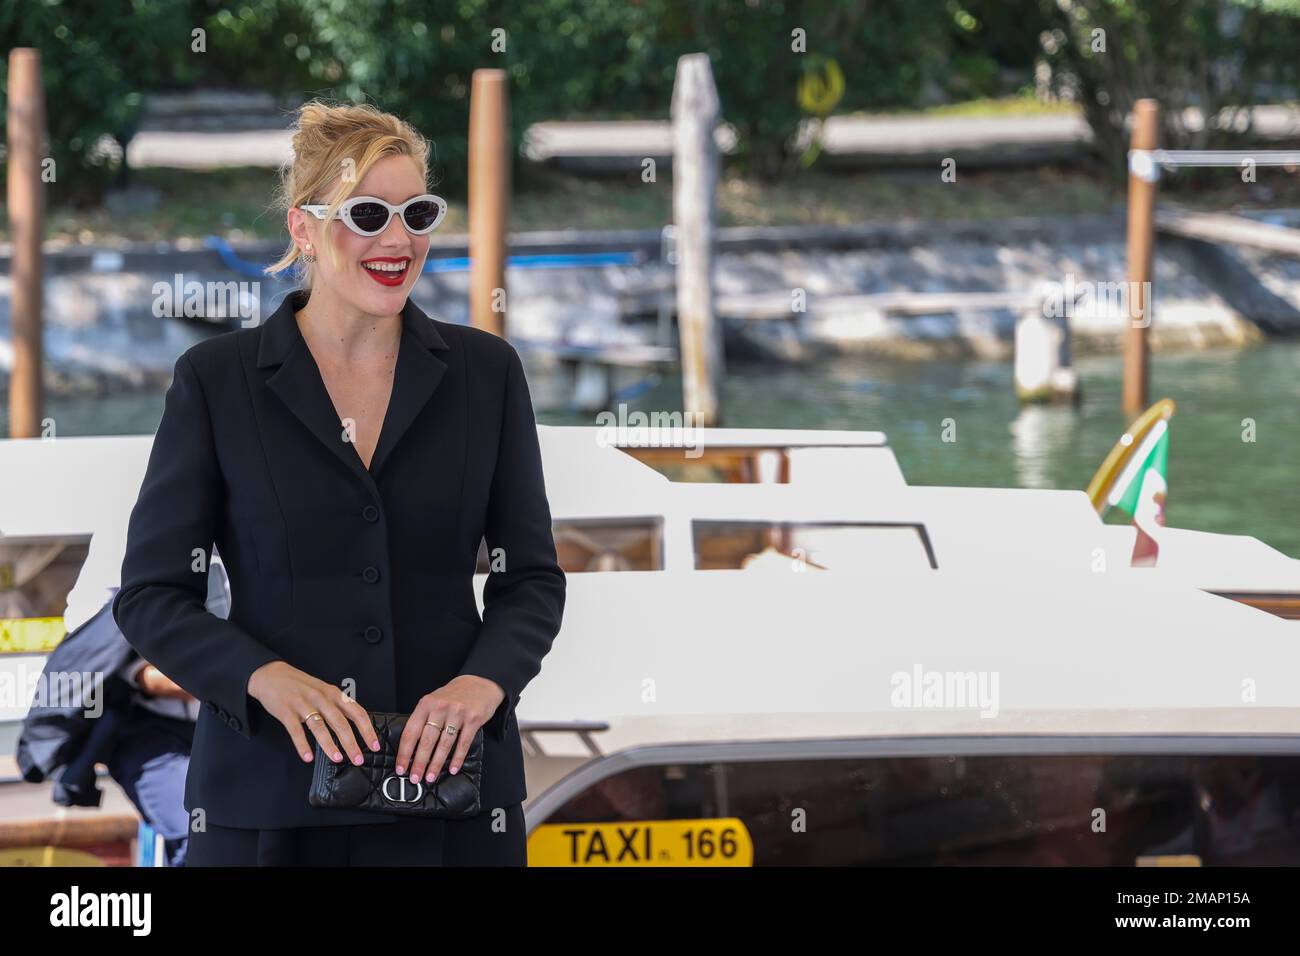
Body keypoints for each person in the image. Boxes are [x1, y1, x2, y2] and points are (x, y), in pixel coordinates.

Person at [111, 99, 566, 866]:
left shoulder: (487, 376)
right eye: (367, 214)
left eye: (417, 213)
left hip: (453, 804)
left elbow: (532, 580)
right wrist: (264, 679)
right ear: (303, 228)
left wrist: (482, 686)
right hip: (265, 806)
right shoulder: (216, 382)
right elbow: (152, 596)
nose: (398, 240)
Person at [17, 514, 234, 867]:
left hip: (234, 721)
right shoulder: (133, 524)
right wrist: (142, 675)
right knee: (198, 835)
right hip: (146, 724)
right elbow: (88, 636)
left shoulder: (259, 518)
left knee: (247, 833)